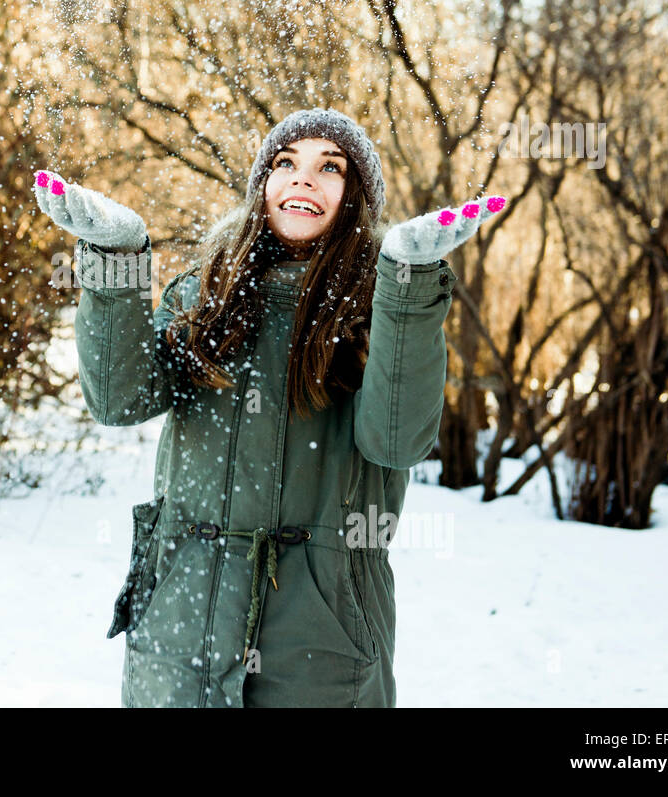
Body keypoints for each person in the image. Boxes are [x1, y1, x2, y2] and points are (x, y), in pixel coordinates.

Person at [33, 107, 506, 707]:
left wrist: (408, 284)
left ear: (356, 197)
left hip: (320, 646)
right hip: (180, 633)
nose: (302, 179)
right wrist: (117, 256)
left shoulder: (377, 307)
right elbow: (120, 400)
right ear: (263, 186)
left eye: (329, 168)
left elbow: (395, 442)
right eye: (286, 163)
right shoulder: (203, 292)